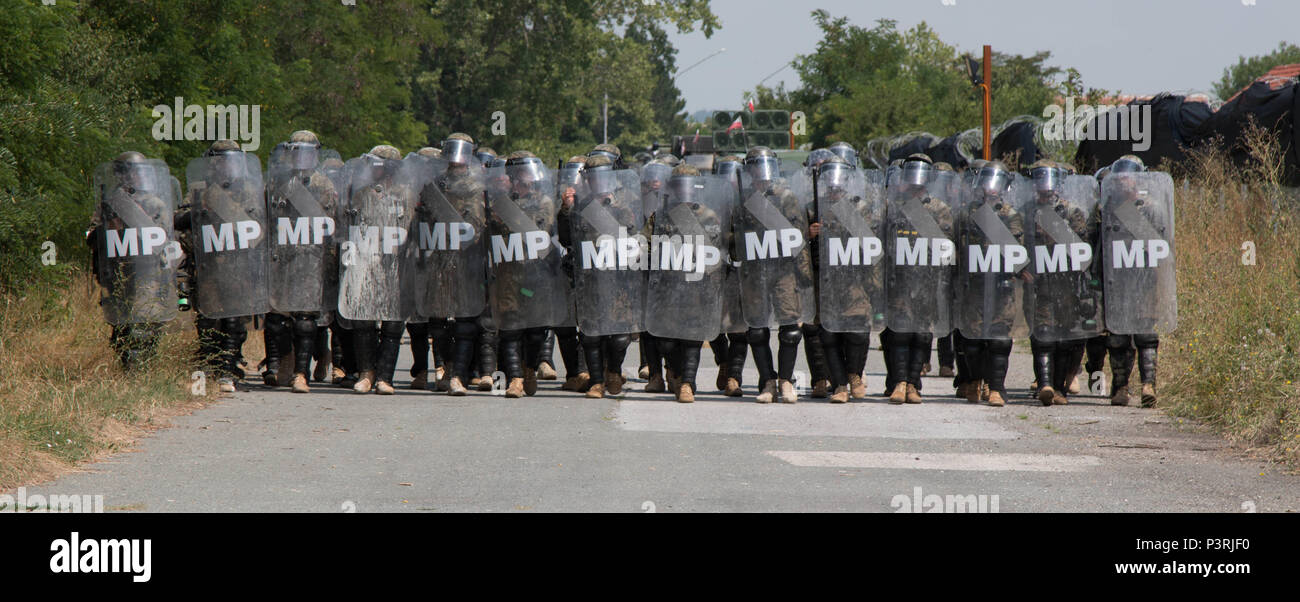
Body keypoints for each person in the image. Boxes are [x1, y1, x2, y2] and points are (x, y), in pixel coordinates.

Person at [181, 140, 268, 393]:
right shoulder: (199, 190)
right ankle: (208, 367)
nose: (224, 165)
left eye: (229, 160)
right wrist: (198, 212)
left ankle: (228, 370)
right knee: (208, 320)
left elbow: (261, 227)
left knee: (234, 320)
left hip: (239, 265)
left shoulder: (251, 191)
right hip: (208, 267)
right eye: (218, 160)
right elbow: (179, 220)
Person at [338, 145, 421, 395]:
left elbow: (412, 231)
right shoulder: (361, 194)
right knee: (363, 320)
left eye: (378, 164)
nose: (373, 169)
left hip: (394, 266)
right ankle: (366, 373)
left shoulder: (406, 195)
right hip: (366, 262)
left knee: (393, 324)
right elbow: (350, 226)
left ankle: (385, 377)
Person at [736, 147, 816, 403]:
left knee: (790, 328)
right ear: (749, 170)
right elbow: (733, 235)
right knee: (757, 330)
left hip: (783, 270)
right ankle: (767, 382)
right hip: (755, 271)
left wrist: (803, 275)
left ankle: (785, 382)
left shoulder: (786, 197)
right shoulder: (742, 197)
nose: (760, 171)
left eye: (764, 166)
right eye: (755, 166)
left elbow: (798, 236)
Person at [263, 130, 339, 393]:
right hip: (283, 258)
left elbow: (330, 227)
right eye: (297, 152)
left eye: (307, 152)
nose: (302, 157)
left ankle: (300, 374)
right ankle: (285, 360)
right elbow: (267, 220)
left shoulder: (324, 185)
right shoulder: (277, 182)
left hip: (310, 258)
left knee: (305, 319)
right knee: (277, 317)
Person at [88, 151, 179, 370]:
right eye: (126, 173)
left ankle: (141, 370)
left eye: (135, 172)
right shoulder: (109, 204)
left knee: (146, 322)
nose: (131, 177)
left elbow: (163, 238)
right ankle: (130, 369)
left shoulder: (154, 204)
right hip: (118, 273)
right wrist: (107, 228)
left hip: (148, 272)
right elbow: (91, 237)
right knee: (122, 328)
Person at [1024, 159, 1101, 406]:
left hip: (1067, 285)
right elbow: (1019, 246)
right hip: (1040, 285)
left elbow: (1083, 249)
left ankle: (1060, 389)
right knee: (1042, 334)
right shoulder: (1027, 212)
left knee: (1066, 338)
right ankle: (1045, 384)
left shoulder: (1071, 211)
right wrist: (1023, 269)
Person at [882, 154, 956, 404]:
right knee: (900, 334)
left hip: (927, 282)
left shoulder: (938, 208)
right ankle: (899, 383)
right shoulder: (894, 205)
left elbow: (947, 248)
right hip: (900, 281)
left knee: (923, 335)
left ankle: (913, 384)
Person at [567, 154, 644, 398]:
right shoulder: (579, 208)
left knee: (619, 336)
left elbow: (635, 240)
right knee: (591, 334)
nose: (599, 182)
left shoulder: (624, 207)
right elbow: (566, 239)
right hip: (590, 279)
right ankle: (597, 381)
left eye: (603, 177)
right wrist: (564, 209)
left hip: (618, 279)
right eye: (594, 178)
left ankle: (614, 371)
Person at [955, 160, 1027, 407]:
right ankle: (975, 381)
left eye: (995, 182)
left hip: (1001, 286)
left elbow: (1016, 251)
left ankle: (996, 388)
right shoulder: (967, 213)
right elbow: (956, 248)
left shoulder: (1010, 215)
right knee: (972, 341)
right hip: (974, 286)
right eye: (986, 181)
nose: (990, 187)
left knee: (999, 340)